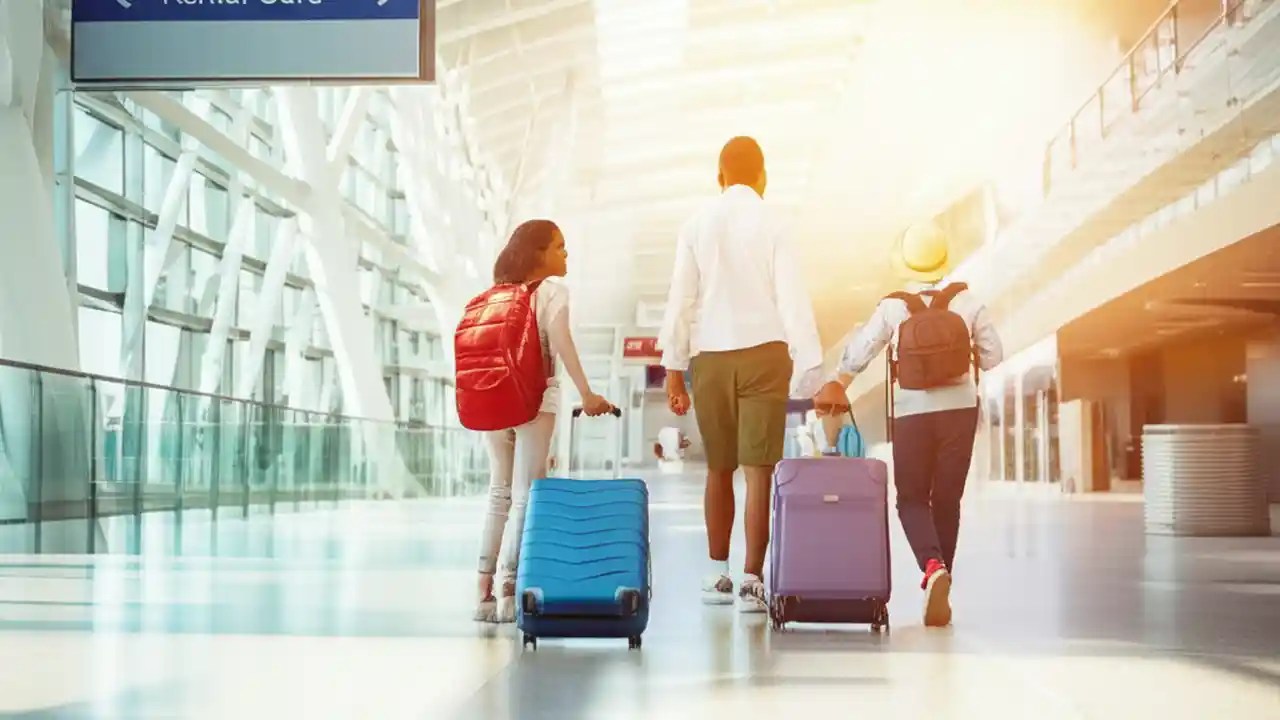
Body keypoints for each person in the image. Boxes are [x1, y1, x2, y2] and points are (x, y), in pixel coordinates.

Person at [659, 136, 824, 613]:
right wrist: (808, 360)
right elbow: (792, 296)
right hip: (765, 354)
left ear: (719, 176)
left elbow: (681, 300)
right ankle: (752, 580)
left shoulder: (695, 225)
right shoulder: (776, 222)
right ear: (763, 177)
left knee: (718, 468)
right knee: (758, 472)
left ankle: (717, 574)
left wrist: (674, 368)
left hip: (709, 356)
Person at [812, 222, 1003, 627]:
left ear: (905, 264)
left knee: (912, 498)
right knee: (947, 500)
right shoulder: (967, 301)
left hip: (912, 414)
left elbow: (860, 352)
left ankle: (932, 567)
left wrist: (839, 382)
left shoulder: (894, 307)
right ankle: (942, 577)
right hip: (959, 411)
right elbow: (993, 356)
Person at [474, 219, 615, 623]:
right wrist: (587, 394)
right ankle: (509, 587)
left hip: (491, 397)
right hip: (534, 400)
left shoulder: (493, 296)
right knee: (526, 494)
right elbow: (561, 342)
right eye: (559, 246)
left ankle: (480, 591)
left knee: (497, 493)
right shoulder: (553, 294)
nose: (565, 254)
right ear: (539, 254)